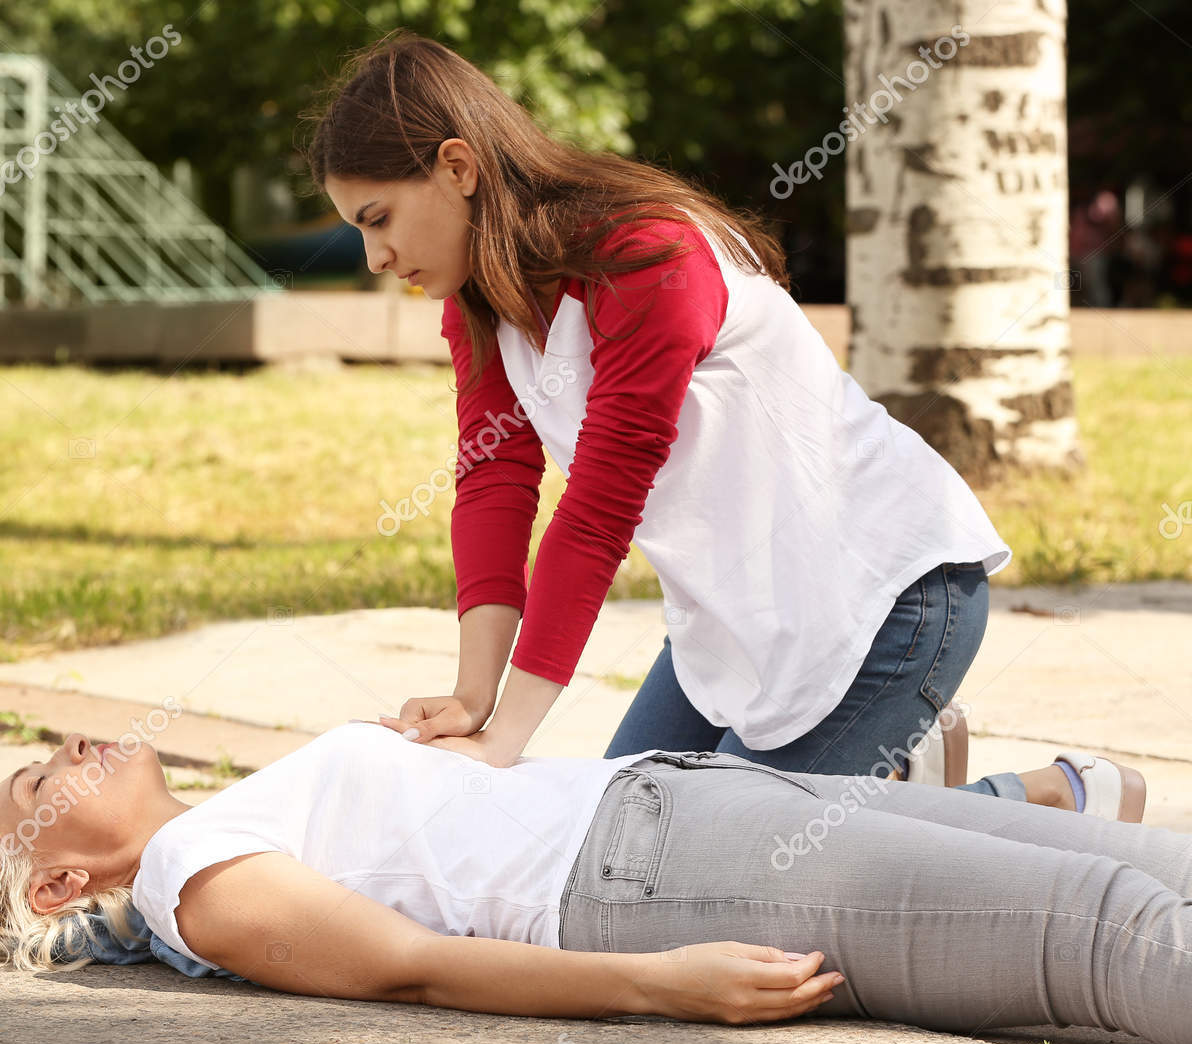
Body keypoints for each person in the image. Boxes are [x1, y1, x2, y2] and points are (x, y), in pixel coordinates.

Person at [306, 32, 1017, 786]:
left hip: (887, 598)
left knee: (714, 857)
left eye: (378, 218)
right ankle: (905, 779)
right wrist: (472, 699)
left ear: (458, 167)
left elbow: (598, 512)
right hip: (731, 624)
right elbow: (494, 480)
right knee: (617, 834)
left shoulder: (649, 257)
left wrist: (500, 744)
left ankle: (1020, 790)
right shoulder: (480, 299)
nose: (375, 257)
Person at [0, 722, 1187, 1044]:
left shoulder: (234, 816)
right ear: (58, 879)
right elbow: (412, 966)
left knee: (1140, 867)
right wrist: (659, 986)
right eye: (36, 783)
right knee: (1108, 933)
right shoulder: (197, 887)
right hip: (646, 880)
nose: (66, 749)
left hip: (679, 798)